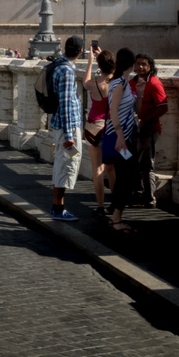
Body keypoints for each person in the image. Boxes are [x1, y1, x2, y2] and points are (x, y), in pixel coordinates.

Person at [105, 47, 143, 233]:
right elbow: (113, 110)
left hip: (122, 138)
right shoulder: (119, 84)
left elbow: (130, 108)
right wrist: (120, 135)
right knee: (127, 174)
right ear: (131, 64)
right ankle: (116, 217)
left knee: (126, 174)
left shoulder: (122, 83)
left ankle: (116, 215)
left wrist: (141, 93)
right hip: (120, 140)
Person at [48, 37, 85, 221]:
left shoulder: (58, 65)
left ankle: (58, 207)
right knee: (66, 164)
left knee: (63, 163)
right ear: (80, 51)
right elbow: (65, 104)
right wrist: (69, 135)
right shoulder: (67, 71)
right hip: (66, 129)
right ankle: (58, 209)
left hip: (61, 125)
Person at [130, 53, 169, 208]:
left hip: (149, 129)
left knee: (146, 164)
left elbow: (163, 107)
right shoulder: (132, 83)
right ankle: (139, 192)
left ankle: (149, 197)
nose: (140, 67)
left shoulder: (154, 83)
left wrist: (145, 120)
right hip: (134, 128)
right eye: (138, 63)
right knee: (135, 162)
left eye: (144, 64)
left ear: (150, 66)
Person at [82, 46, 115, 217]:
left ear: (100, 66)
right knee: (111, 169)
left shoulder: (94, 84)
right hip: (110, 128)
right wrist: (104, 54)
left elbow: (84, 81)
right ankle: (115, 205)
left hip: (93, 127)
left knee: (97, 170)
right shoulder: (117, 83)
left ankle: (100, 206)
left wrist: (90, 61)